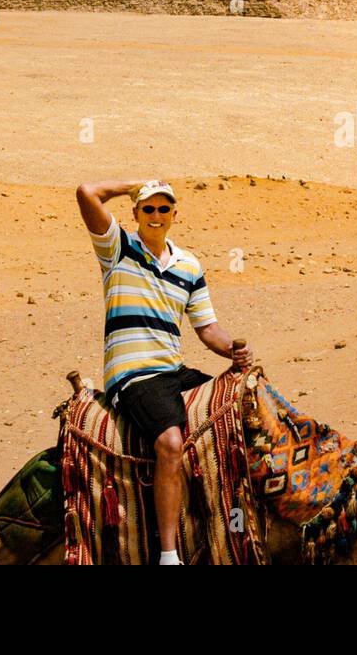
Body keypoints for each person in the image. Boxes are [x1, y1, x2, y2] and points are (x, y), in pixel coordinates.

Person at [75, 178, 252, 565]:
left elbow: (206, 328)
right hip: (133, 375)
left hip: (173, 371)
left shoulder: (189, 265)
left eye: (164, 209)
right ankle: (169, 555)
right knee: (170, 442)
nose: (157, 216)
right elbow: (87, 192)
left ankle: (237, 519)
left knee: (242, 407)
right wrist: (134, 185)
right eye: (148, 208)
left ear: (174, 214)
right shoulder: (117, 249)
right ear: (135, 214)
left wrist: (232, 353)